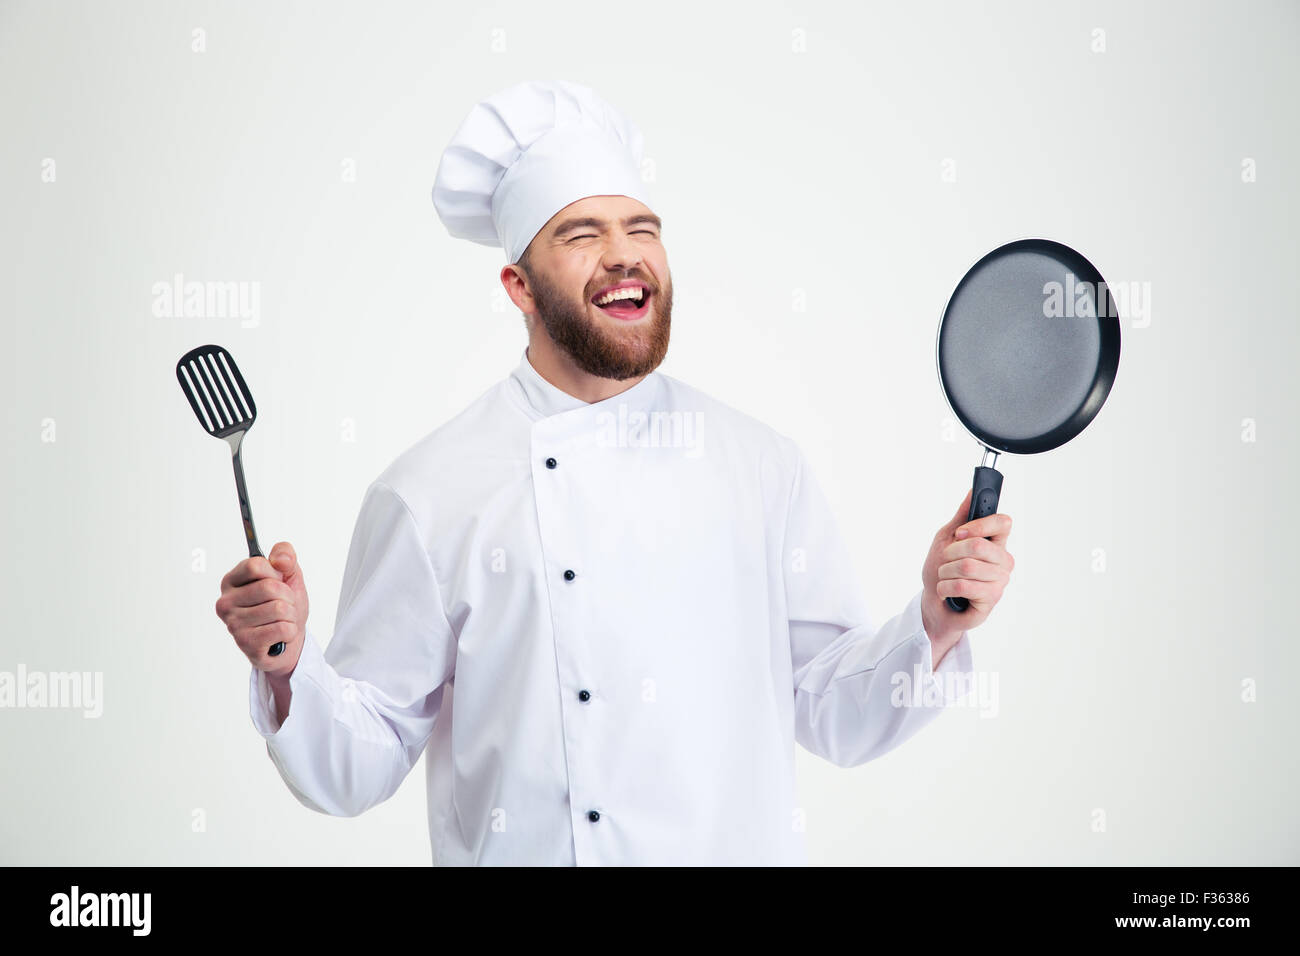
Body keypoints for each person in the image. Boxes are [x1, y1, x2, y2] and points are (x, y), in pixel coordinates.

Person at [214, 79, 1015, 866]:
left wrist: (936, 623)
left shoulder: (759, 465)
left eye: (642, 228)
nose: (624, 254)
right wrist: (288, 668)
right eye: (581, 234)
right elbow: (360, 764)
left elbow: (833, 711)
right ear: (518, 286)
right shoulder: (426, 492)